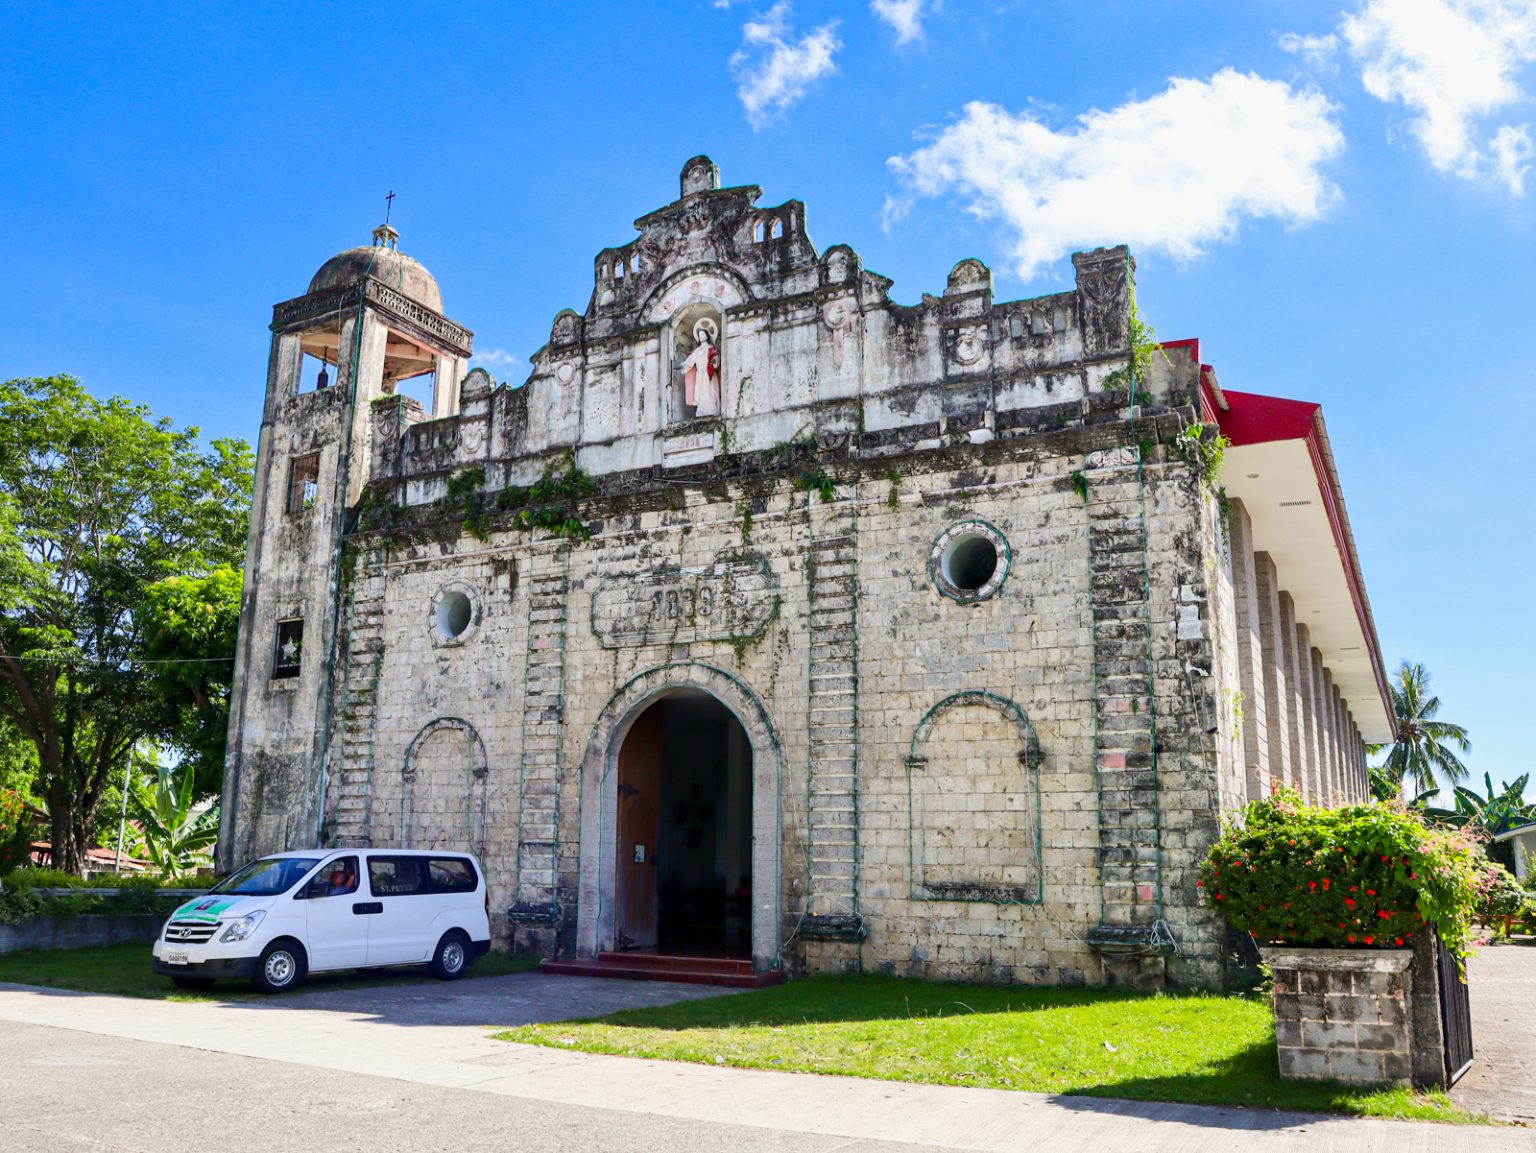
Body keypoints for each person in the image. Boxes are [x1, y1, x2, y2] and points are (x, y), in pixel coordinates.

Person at [680, 318, 720, 417]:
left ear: (707, 335)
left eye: (703, 334)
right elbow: (690, 361)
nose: (701, 336)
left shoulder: (711, 348)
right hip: (700, 375)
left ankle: (711, 411)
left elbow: (716, 357)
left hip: (708, 373)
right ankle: (701, 413)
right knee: (699, 393)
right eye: (699, 335)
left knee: (709, 392)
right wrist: (683, 366)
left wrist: (715, 361)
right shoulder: (697, 351)